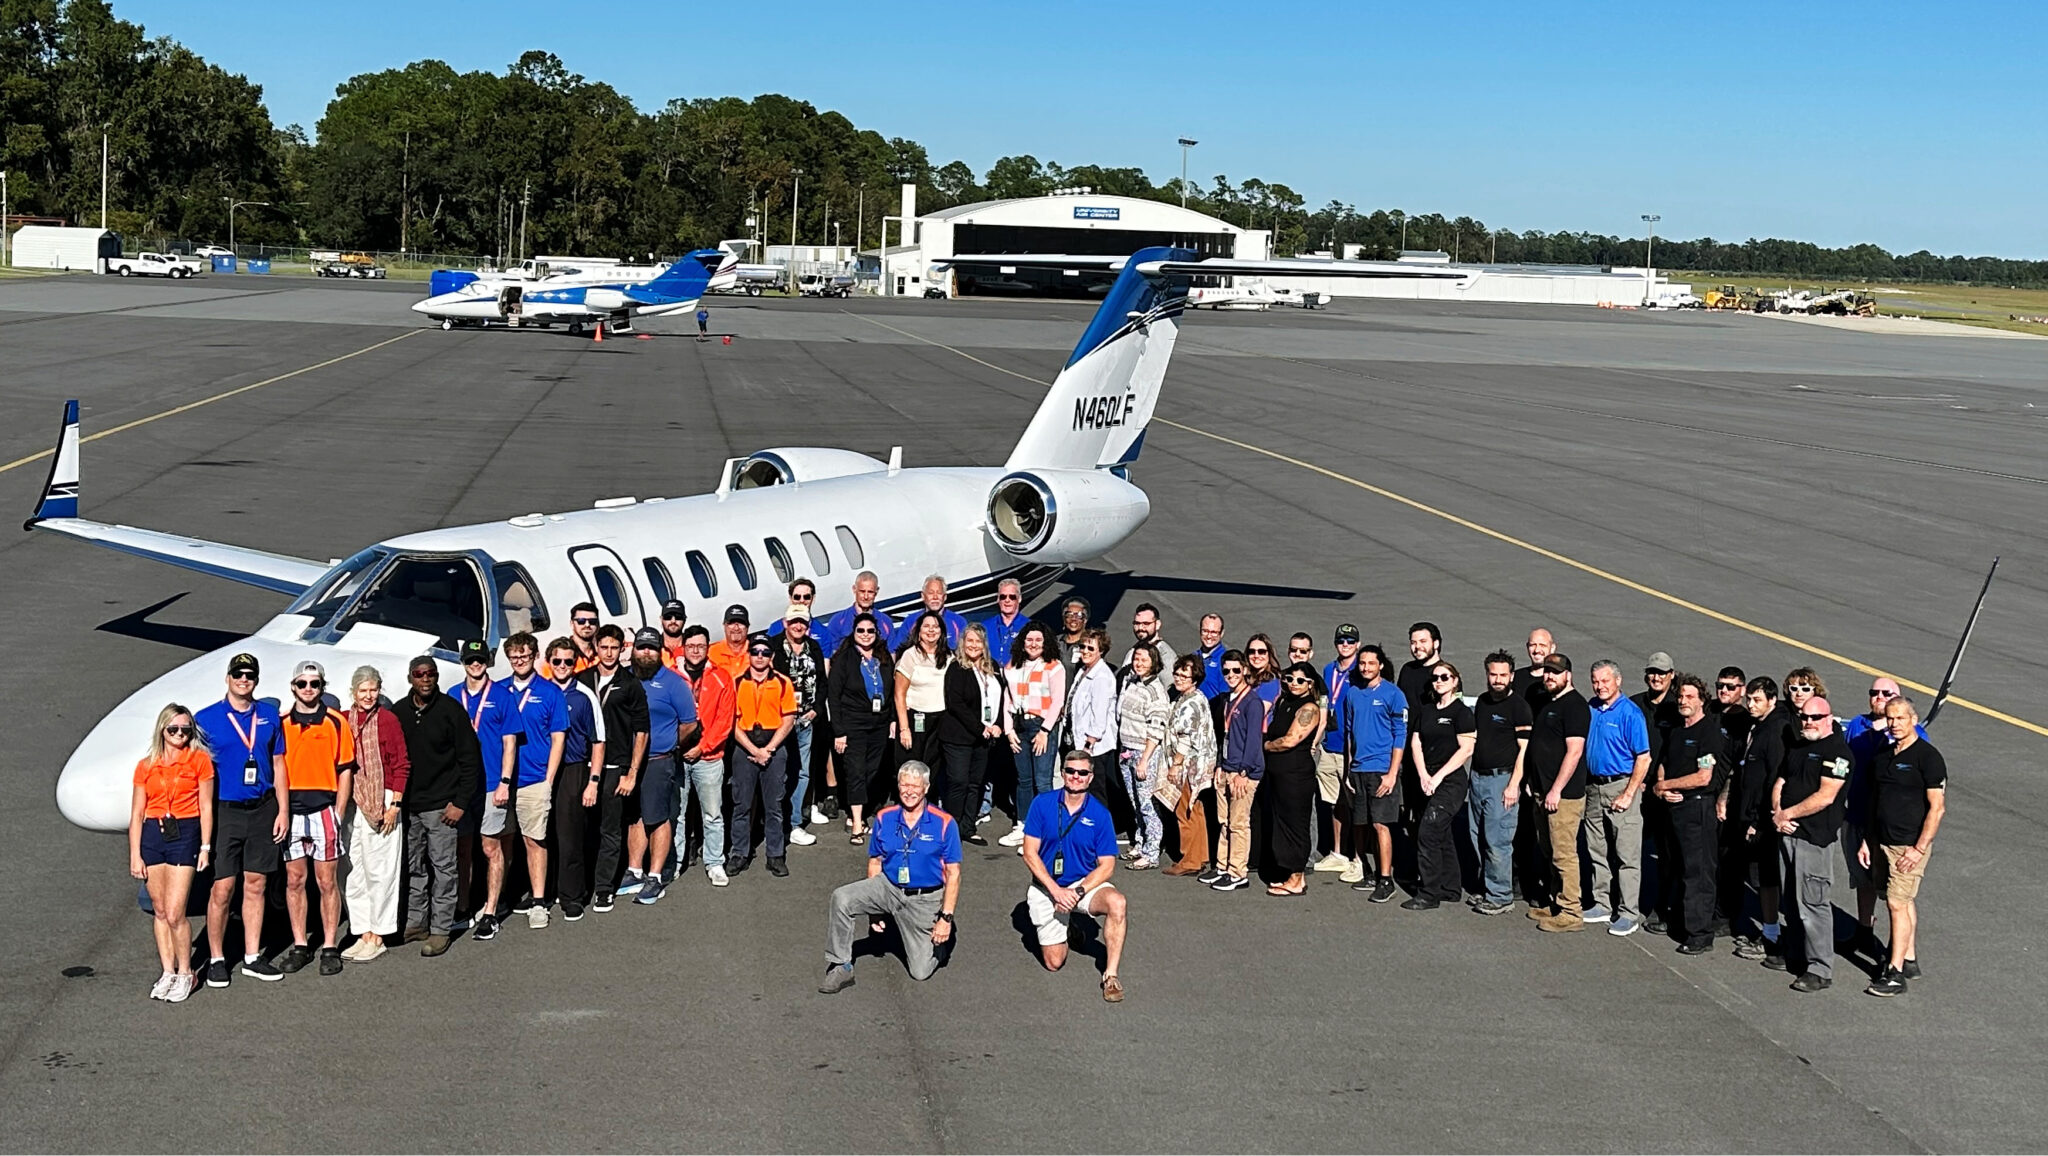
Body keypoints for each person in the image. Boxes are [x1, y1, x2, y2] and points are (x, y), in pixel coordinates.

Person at [818, 761, 962, 994]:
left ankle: (938, 942)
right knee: (842, 898)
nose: (909, 791)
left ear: (926, 788)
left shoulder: (944, 823)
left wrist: (946, 918)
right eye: (904, 785)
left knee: (920, 972)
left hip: (924, 898)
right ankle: (841, 964)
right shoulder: (885, 818)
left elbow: (954, 873)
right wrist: (875, 910)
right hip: (889, 886)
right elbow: (875, 862)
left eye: (915, 786)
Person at [196, 652, 288, 985]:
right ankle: (217, 958)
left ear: (257, 680)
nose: (244, 679)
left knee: (257, 884)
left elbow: (279, 765)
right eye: (238, 674)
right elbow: (198, 773)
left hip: (263, 809)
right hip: (227, 810)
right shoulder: (205, 720)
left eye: (249, 675)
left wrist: (283, 810)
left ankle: (251, 956)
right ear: (228, 678)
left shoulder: (269, 715)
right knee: (222, 888)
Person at [1022, 751, 1131, 1002]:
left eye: (1082, 773)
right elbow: (1030, 853)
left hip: (1082, 885)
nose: (1076, 777)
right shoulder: (1042, 803)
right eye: (1070, 771)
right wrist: (1055, 891)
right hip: (1046, 887)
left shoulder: (1101, 814)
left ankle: (1111, 975)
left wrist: (1077, 892)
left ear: (1090, 777)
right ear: (1063, 774)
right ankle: (1070, 928)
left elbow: (1107, 866)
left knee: (1118, 902)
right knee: (1054, 963)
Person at [393, 655, 481, 958]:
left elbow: (471, 762)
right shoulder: (399, 712)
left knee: (444, 868)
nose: (425, 679)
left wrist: (459, 803)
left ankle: (441, 929)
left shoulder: (451, 711)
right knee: (413, 867)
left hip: (442, 806)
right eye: (419, 674)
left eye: (430, 673)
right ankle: (416, 923)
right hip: (409, 806)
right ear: (410, 678)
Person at [1860, 695, 1945, 997]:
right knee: (1900, 900)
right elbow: (1874, 803)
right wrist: (1867, 842)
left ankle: (1894, 973)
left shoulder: (1928, 757)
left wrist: (1919, 848)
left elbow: (1937, 808)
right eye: (1890, 718)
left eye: (1901, 718)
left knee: (1897, 903)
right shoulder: (1882, 757)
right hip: (1882, 841)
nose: (1895, 724)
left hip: (1908, 845)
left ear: (1914, 719)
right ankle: (1909, 958)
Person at [129, 703, 213, 1002]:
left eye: (185, 729)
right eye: (173, 729)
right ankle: (167, 970)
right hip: (153, 833)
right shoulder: (146, 765)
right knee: (160, 909)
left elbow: (206, 807)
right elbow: (137, 812)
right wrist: (135, 854)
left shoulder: (199, 761)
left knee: (177, 911)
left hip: (185, 833)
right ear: (162, 730)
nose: (180, 734)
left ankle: (186, 972)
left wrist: (205, 846)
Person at [1771, 695, 1854, 992]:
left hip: (1813, 838)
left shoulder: (1838, 753)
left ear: (1829, 718)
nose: (1808, 722)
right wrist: (1778, 815)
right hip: (1787, 832)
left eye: (1814, 718)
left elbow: (1826, 796)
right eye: (1804, 717)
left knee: (1812, 903)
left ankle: (1820, 968)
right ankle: (1795, 954)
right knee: (1790, 901)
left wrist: (1788, 813)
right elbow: (1781, 780)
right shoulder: (1798, 745)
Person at [278, 660, 356, 976]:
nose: (308, 689)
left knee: (326, 881)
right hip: (293, 810)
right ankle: (299, 945)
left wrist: (338, 811)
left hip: (324, 809)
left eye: (314, 683)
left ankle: (329, 945)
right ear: (293, 687)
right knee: (295, 880)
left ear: (322, 687)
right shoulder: (281, 724)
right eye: (302, 683)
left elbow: (346, 768)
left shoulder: (336, 722)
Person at [489, 633, 567, 930]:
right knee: (501, 842)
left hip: (534, 777)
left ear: (535, 656)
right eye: (514, 657)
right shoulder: (498, 691)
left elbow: (558, 738)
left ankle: (538, 901)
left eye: (524, 655)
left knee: (534, 840)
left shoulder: (549, 692)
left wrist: (548, 778)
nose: (519, 661)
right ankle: (501, 897)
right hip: (502, 781)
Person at [1841, 677, 1921, 962]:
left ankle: (1906, 954)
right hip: (1857, 817)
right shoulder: (1856, 726)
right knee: (1862, 878)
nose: (1879, 697)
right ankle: (1864, 930)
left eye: (1887, 693)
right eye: (1874, 693)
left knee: (1898, 892)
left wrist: (1887, 731)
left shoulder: (1912, 732)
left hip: (1891, 827)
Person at [1651, 674, 1728, 955]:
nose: (1683, 701)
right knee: (1676, 867)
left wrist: (1665, 785)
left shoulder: (1708, 733)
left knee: (1698, 872)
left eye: (1690, 697)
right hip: (1673, 809)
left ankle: (1700, 934)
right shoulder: (1676, 730)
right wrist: (1661, 788)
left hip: (1697, 808)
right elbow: (1664, 765)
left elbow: (1703, 776)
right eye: (1681, 696)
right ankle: (1679, 921)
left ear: (1702, 701)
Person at [339, 667, 410, 962]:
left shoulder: (388, 720)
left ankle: (378, 934)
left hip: (382, 796)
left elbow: (401, 764)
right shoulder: (344, 719)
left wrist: (395, 805)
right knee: (353, 869)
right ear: (353, 692)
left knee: (381, 870)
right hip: (353, 797)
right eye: (363, 690)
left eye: (373, 689)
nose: (368, 696)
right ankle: (362, 929)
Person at [628, 627, 700, 902]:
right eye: (641, 647)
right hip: (629, 762)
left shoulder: (673, 683)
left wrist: (670, 743)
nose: (646, 653)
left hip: (659, 760)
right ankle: (634, 870)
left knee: (658, 818)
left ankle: (655, 875)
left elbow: (689, 722)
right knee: (634, 817)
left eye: (652, 648)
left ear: (660, 652)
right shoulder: (627, 679)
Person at [1580, 660, 1651, 935]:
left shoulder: (1630, 714)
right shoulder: (1592, 707)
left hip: (1620, 787)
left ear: (1618, 681)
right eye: (1596, 681)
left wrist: (1628, 793)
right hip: (1593, 788)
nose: (1600, 686)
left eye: (1605, 681)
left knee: (1626, 854)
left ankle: (1629, 912)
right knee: (1596, 849)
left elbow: (1643, 758)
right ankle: (1601, 903)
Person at [580, 625, 648, 912]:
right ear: (596, 647)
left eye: (614, 648)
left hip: (615, 765)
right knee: (583, 828)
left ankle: (604, 888)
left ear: (622, 649)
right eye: (603, 647)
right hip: (582, 764)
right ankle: (580, 885)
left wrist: (631, 773)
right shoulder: (582, 679)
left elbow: (642, 732)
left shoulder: (630, 684)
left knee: (610, 829)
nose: (608, 653)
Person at [1524, 654, 1590, 932]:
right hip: (1542, 791)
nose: (1550, 677)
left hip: (1562, 796)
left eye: (1556, 672)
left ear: (1568, 675)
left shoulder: (1574, 706)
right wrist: (1534, 781)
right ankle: (1555, 902)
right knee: (1549, 850)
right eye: (1547, 672)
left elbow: (1574, 752)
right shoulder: (1550, 703)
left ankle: (1571, 912)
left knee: (1564, 854)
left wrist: (1555, 790)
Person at [1724, 676, 1788, 963]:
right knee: (1754, 875)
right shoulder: (1757, 726)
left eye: (1758, 700)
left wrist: (1759, 820)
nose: (1751, 704)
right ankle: (1761, 927)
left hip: (1760, 819)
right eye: (1749, 699)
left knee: (1766, 878)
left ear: (1772, 701)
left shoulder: (1774, 732)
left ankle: (1772, 934)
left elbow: (1774, 778)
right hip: (1745, 812)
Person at [544, 637, 606, 920]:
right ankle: (543, 892)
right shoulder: (541, 692)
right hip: (540, 771)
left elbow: (598, 741)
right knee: (541, 834)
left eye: (568, 661)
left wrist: (593, 781)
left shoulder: (584, 696)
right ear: (549, 662)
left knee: (571, 835)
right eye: (557, 661)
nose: (562, 666)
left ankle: (572, 895)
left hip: (573, 769)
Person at [1406, 661, 1476, 910]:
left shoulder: (1461, 713)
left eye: (1445, 677)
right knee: (1442, 834)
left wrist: (1438, 777)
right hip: (1428, 778)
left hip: (1451, 782)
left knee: (1428, 831)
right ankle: (1449, 887)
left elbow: (1466, 749)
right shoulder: (1426, 711)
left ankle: (1428, 892)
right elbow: (1416, 743)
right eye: (1435, 677)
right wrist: (1424, 775)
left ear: (1455, 681)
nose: (1439, 681)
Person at [1340, 644, 1407, 901]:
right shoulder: (1353, 694)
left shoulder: (1393, 694)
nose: (1366, 667)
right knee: (1360, 823)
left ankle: (1385, 879)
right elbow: (1349, 734)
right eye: (1362, 663)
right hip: (1358, 769)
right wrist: (1348, 771)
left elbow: (1400, 735)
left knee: (1380, 824)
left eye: (1371, 663)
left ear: (1381, 665)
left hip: (1381, 770)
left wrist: (1392, 774)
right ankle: (1367, 871)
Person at [1469, 651, 1531, 915]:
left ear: (1511, 676)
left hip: (1502, 780)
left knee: (1498, 841)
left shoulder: (1519, 707)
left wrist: (1513, 784)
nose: (1497, 679)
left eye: (1502, 675)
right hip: (1478, 778)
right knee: (1477, 837)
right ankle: (1487, 888)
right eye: (1493, 674)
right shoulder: (1482, 702)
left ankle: (1501, 896)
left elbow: (1524, 749)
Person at [452, 639, 508, 927]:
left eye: (481, 659)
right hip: (463, 787)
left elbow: (510, 742)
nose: (476, 664)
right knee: (462, 848)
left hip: (491, 783)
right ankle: (463, 907)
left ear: (489, 661)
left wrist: (505, 782)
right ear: (463, 662)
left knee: (490, 847)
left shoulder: (501, 695)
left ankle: (490, 910)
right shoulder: (452, 695)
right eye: (471, 660)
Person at [731, 633, 798, 878]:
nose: (760, 656)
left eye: (765, 652)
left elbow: (789, 718)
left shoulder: (782, 682)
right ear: (749, 655)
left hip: (774, 746)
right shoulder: (737, 683)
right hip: (745, 745)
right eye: (755, 651)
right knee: (742, 805)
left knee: (774, 806)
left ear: (771, 657)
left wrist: (768, 749)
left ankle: (775, 855)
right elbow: (732, 723)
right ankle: (739, 853)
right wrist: (753, 750)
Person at [827, 612, 896, 840]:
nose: (865, 635)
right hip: (853, 723)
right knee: (855, 771)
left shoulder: (883, 658)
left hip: (879, 724)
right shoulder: (844, 659)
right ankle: (856, 822)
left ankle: (855, 807)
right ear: (854, 633)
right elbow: (834, 697)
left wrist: (893, 720)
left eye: (870, 631)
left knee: (872, 770)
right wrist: (839, 732)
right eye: (861, 630)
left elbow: (892, 691)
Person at [672, 624, 729, 887]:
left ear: (708, 648)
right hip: (677, 757)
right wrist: (679, 746)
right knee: (678, 814)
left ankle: (715, 862)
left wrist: (703, 747)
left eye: (701, 646)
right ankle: (675, 861)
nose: (696, 651)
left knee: (713, 813)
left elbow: (724, 721)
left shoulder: (721, 677)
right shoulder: (671, 676)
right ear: (683, 647)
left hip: (710, 757)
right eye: (691, 646)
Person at [1261, 662, 1325, 897]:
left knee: (1296, 824)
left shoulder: (1309, 708)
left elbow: (1290, 740)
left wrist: (1265, 746)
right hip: (1278, 775)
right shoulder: (1283, 702)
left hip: (1296, 776)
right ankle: (1287, 873)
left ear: (1310, 684)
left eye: (1300, 680)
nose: (1294, 684)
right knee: (1282, 823)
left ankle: (1297, 878)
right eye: (1290, 678)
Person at [938, 623, 1004, 847]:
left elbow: (1001, 699)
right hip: (959, 736)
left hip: (984, 739)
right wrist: (980, 727)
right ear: (962, 643)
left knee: (975, 784)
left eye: (978, 641)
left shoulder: (992, 666)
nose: (974, 645)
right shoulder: (957, 668)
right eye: (970, 641)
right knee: (958, 782)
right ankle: (952, 829)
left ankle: (968, 827)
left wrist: (997, 724)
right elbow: (956, 704)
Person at [1002, 622, 1066, 850]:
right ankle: (1023, 826)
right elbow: (1007, 700)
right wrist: (1008, 730)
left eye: (1038, 640)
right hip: (1019, 726)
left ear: (1045, 642)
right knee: (1024, 780)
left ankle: (1047, 832)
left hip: (1042, 726)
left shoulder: (1054, 667)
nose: (1033, 644)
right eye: (1029, 640)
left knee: (1042, 780)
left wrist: (1045, 732)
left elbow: (1058, 702)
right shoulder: (1012, 666)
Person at [1205, 650, 1263, 891]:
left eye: (1236, 670)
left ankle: (1238, 872)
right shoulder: (1227, 699)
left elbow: (1253, 740)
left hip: (1243, 772)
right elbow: (1224, 736)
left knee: (1239, 823)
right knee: (1224, 821)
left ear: (1245, 671)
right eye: (1226, 670)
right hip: (1226, 767)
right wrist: (1220, 764)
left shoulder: (1253, 702)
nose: (1230, 675)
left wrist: (1244, 772)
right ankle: (1222, 866)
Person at [773, 604, 827, 846]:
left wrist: (816, 709)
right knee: (779, 773)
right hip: (779, 721)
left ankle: (794, 823)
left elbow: (823, 682)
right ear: (785, 623)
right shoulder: (773, 646)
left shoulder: (813, 647)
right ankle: (775, 822)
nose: (798, 626)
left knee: (802, 772)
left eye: (803, 622)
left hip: (806, 720)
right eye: (794, 621)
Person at [1160, 655, 1217, 876]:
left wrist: (1176, 764)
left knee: (1184, 811)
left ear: (1195, 678)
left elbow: (1185, 738)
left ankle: (1190, 860)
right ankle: (1200, 854)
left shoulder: (1190, 703)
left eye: (1185, 675)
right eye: (1177, 673)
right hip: (1199, 766)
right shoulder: (1194, 697)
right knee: (1196, 811)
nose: (1180, 678)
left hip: (1189, 766)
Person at [1115, 644, 1171, 869]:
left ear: (1154, 663)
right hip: (1126, 748)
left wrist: (1145, 759)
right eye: (1136, 658)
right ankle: (1140, 841)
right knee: (1134, 802)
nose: (1139, 663)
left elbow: (1157, 729)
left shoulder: (1156, 690)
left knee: (1147, 803)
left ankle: (1151, 852)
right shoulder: (1131, 682)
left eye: (1144, 660)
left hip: (1144, 752)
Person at [1066, 627, 1126, 833]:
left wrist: (1088, 744)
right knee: (1086, 789)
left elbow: (1099, 716)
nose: (1085, 650)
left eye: (1091, 647)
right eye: (1082, 646)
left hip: (1095, 747)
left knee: (1096, 790)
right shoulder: (1084, 670)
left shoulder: (1101, 677)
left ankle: (1101, 832)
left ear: (1101, 651)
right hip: (1080, 740)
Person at [1313, 624, 1362, 874]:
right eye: (1341, 641)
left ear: (1358, 645)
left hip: (1350, 747)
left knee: (1354, 803)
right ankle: (1338, 853)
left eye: (1350, 641)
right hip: (1330, 744)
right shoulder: (1328, 669)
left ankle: (1357, 858)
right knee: (1334, 802)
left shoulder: (1360, 671)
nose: (1346, 645)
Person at [895, 610, 953, 777]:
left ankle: (929, 801)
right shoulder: (910, 655)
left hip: (940, 719)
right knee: (911, 767)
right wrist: (904, 729)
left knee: (933, 767)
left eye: (935, 626)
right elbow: (899, 694)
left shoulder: (949, 657)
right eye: (926, 626)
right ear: (918, 631)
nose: (931, 630)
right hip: (915, 719)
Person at [814, 570, 894, 657]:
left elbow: (891, 654)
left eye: (870, 592)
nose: (866, 597)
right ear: (854, 589)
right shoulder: (838, 621)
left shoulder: (886, 622)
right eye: (862, 591)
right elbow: (831, 655)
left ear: (876, 591)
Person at [890, 574, 969, 650]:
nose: (935, 597)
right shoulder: (911, 621)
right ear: (923, 596)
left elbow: (965, 652)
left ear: (944, 597)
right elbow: (894, 650)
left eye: (939, 593)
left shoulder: (959, 622)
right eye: (931, 593)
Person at [980, 578, 1030, 672]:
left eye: (1012, 597)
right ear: (998, 599)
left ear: (1019, 599)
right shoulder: (985, 626)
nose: (1007, 600)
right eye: (1003, 596)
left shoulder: (1030, 627)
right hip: (990, 677)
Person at [1396, 622, 1443, 716]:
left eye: (1423, 641)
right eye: (1413, 642)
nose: (1417, 646)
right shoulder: (1407, 669)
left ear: (1436, 643)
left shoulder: (1446, 674)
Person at [1124, 603, 1178, 686]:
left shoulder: (1165, 656)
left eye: (1146, 623)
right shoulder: (1133, 650)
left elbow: (1169, 689)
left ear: (1158, 624)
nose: (1141, 628)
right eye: (1137, 623)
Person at [1515, 628, 1557, 708]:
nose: (1537, 650)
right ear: (1527, 647)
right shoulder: (1516, 677)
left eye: (1542, 645)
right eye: (1532, 645)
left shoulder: (1557, 679)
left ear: (1552, 648)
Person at [709, 604, 752, 680]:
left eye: (741, 623)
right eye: (731, 623)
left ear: (748, 626)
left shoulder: (758, 652)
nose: (736, 628)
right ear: (724, 626)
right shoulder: (710, 652)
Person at [1192, 613, 1229, 699]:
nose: (1209, 636)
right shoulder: (1194, 656)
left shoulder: (1226, 661)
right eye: (1205, 631)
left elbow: (1226, 696)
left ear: (1222, 633)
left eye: (1214, 632)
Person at [1243, 633, 1281, 708]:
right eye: (1252, 651)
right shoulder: (1246, 678)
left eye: (1261, 652)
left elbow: (1258, 713)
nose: (1256, 655)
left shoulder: (1270, 682)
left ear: (1269, 654)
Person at [566, 602, 602, 674]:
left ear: (597, 624)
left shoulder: (603, 653)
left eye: (592, 621)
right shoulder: (560, 656)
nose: (587, 625)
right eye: (581, 621)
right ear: (572, 624)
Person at [1057, 596, 1092, 670]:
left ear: (1085, 620)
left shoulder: (1090, 645)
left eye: (1079, 616)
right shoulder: (1055, 641)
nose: (1073, 619)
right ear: (1064, 619)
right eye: (1069, 615)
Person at [657, 600, 690, 675]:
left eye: (678, 617)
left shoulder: (692, 645)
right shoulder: (653, 647)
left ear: (685, 619)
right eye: (668, 617)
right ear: (661, 619)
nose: (673, 621)